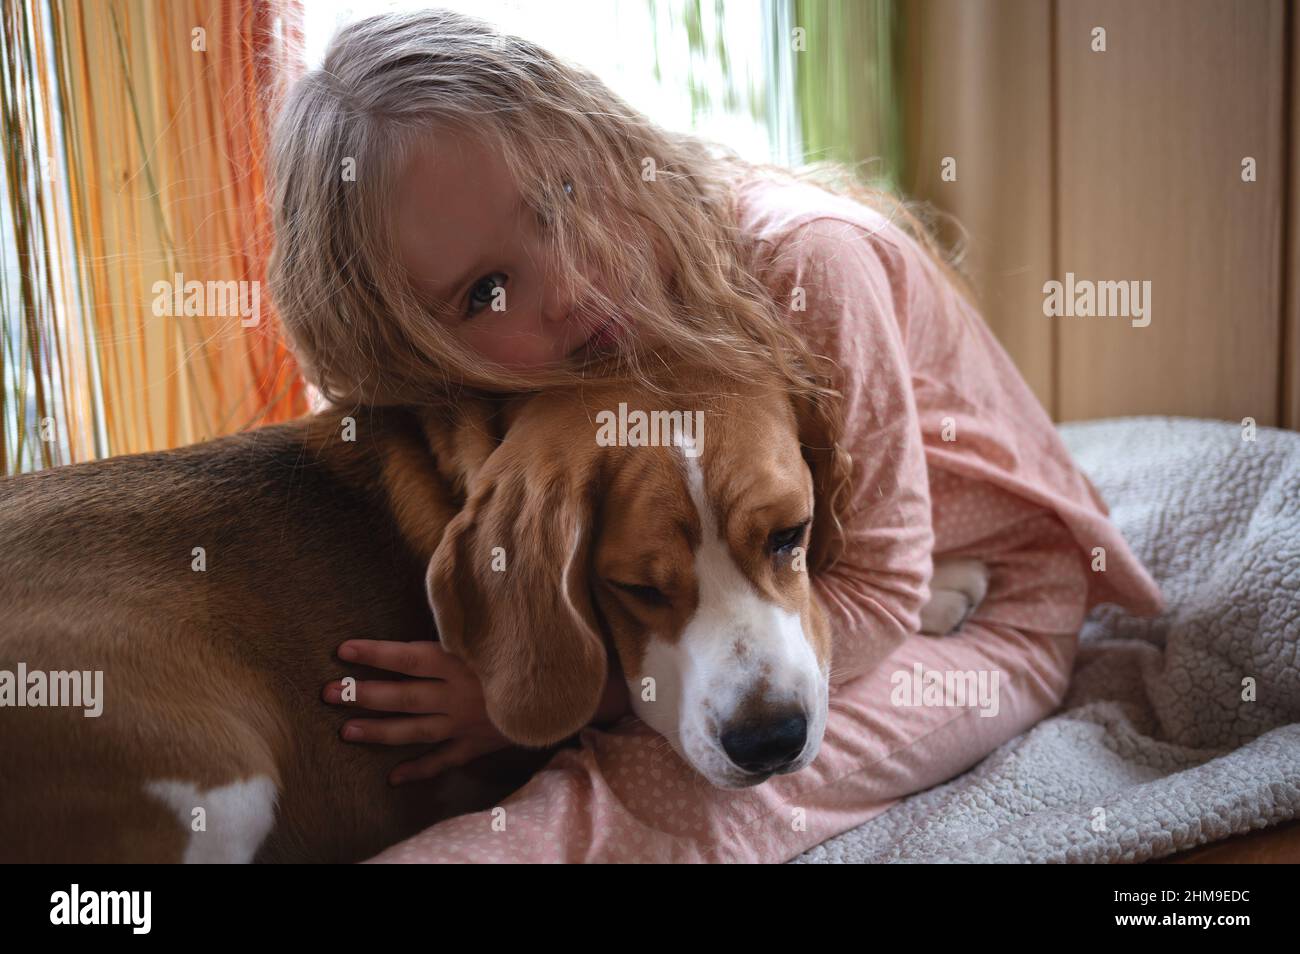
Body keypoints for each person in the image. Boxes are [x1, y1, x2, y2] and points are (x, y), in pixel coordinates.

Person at [267, 9, 1163, 862]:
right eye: (485, 293)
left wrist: (569, 704)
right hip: (827, 593)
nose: (572, 285)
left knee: (661, 803)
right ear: (418, 353)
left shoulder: (815, 265)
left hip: (998, 607)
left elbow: (886, 587)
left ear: (611, 144)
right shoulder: (557, 370)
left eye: (564, 200)